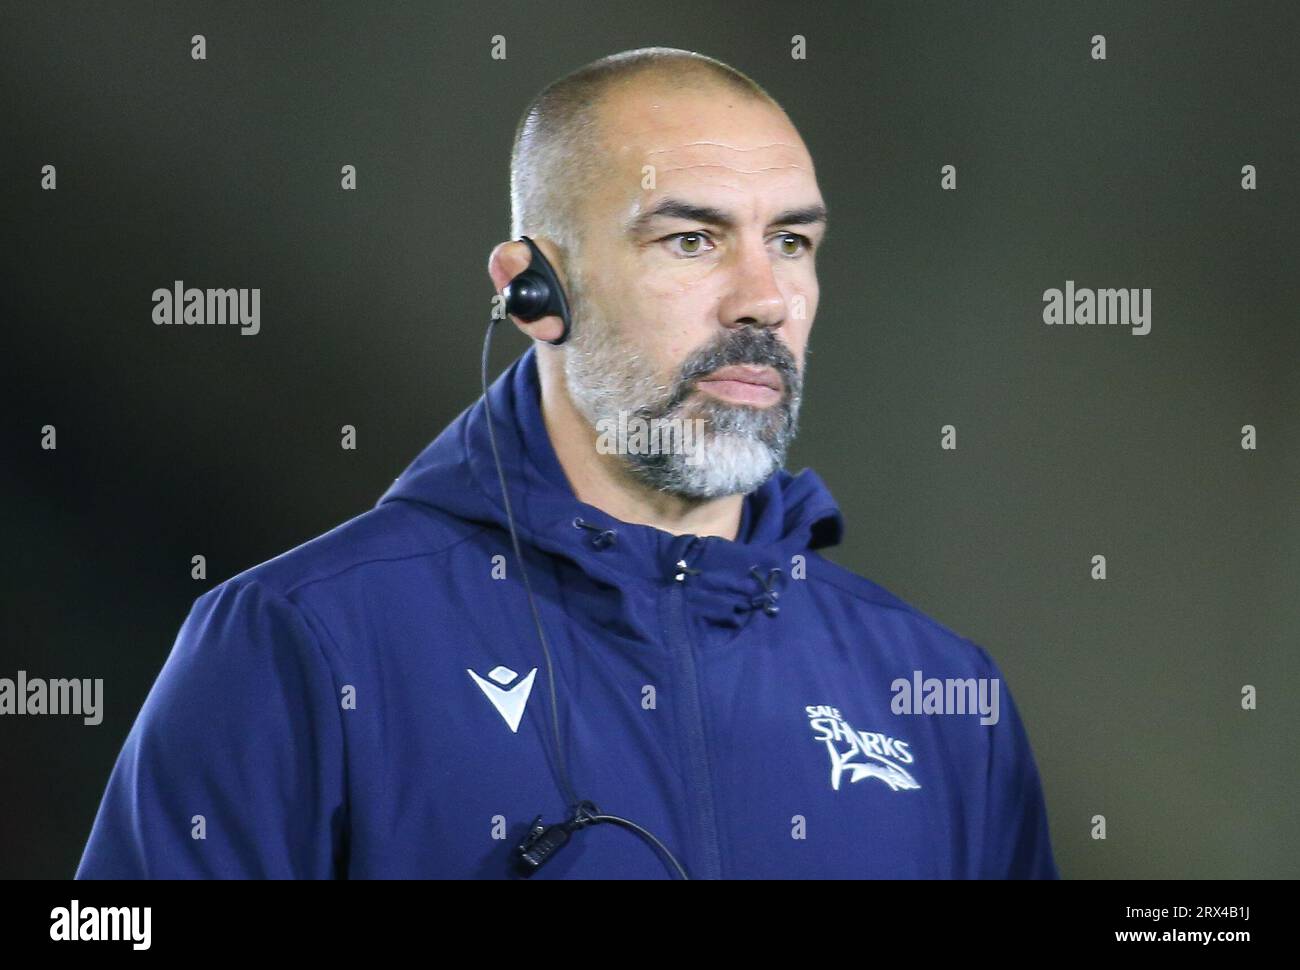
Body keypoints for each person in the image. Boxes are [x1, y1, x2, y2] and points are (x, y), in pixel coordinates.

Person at [76, 47, 1058, 879]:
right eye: (690, 239)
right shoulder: (304, 641)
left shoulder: (939, 696)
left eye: (791, 241)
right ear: (535, 291)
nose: (764, 298)